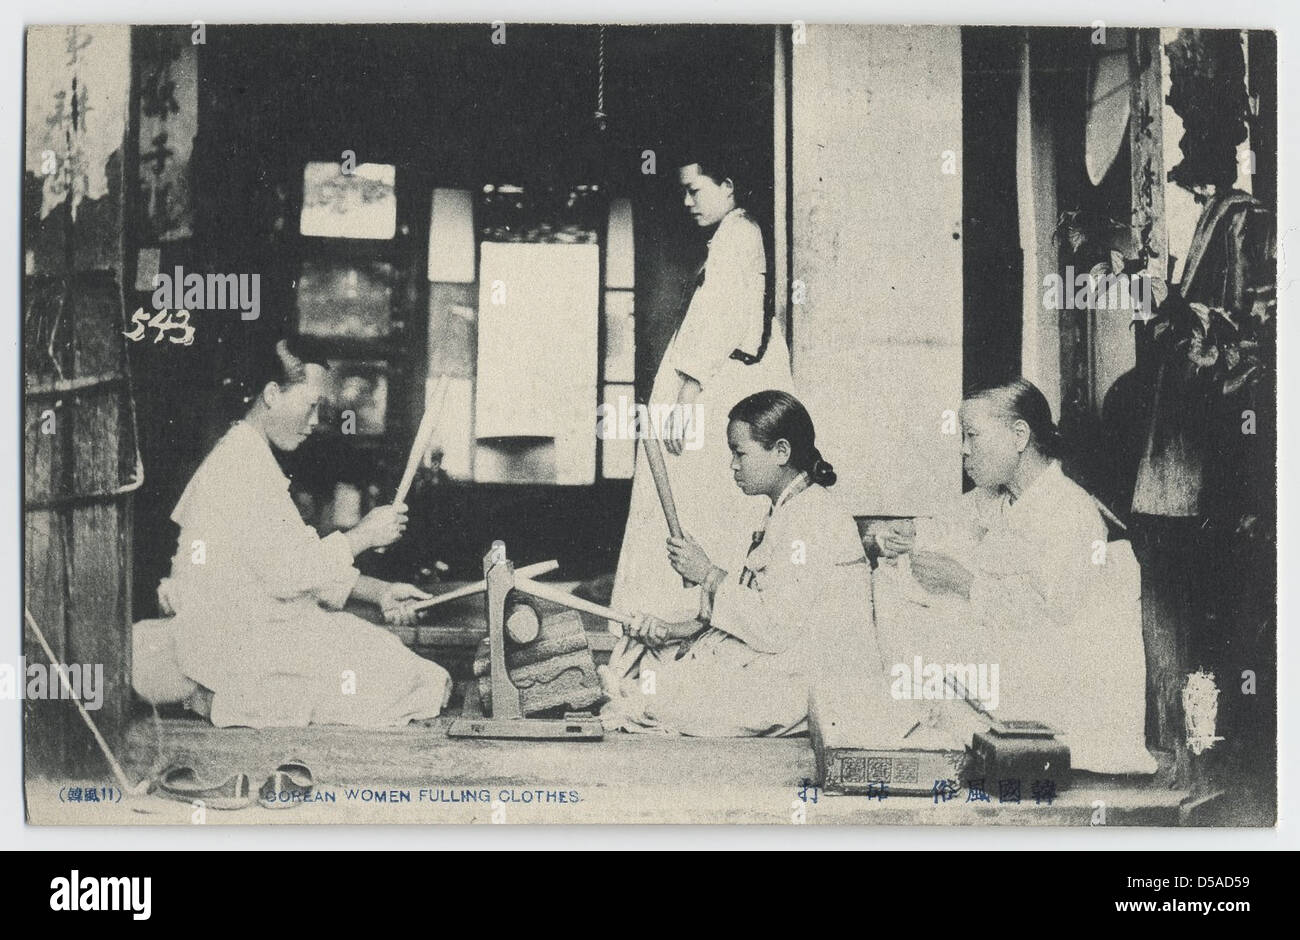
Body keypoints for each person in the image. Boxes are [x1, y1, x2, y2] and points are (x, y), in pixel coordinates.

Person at [139, 337, 452, 728]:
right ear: (272, 394)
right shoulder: (240, 464)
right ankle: (211, 694)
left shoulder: (251, 456)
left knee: (401, 668)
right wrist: (364, 535)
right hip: (226, 639)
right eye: (311, 405)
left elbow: (294, 556)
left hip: (256, 625)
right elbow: (292, 573)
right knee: (402, 680)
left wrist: (380, 591)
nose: (315, 420)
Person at [869, 378, 1155, 773]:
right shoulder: (998, 496)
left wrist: (963, 583)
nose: (964, 451)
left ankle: (935, 725)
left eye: (972, 436)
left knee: (912, 614)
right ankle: (929, 719)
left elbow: (1055, 614)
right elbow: (943, 526)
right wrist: (903, 536)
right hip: (1002, 642)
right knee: (892, 579)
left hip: (1046, 670)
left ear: (1020, 435)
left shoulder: (1070, 511)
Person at [608, 149, 794, 672]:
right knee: (696, 499)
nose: (687, 201)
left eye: (696, 190)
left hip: (718, 378)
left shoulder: (739, 234)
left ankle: (684, 624)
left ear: (728, 186)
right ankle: (678, 623)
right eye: (683, 191)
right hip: (718, 372)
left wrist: (687, 396)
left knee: (703, 496)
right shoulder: (734, 235)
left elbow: (721, 321)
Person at [604, 391, 879, 737]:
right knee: (642, 661)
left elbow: (774, 628)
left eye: (740, 452)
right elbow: (762, 606)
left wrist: (707, 574)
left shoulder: (812, 518)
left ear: (781, 451)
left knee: (653, 696)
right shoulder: (788, 508)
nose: (733, 465)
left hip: (815, 676)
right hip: (783, 656)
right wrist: (674, 629)